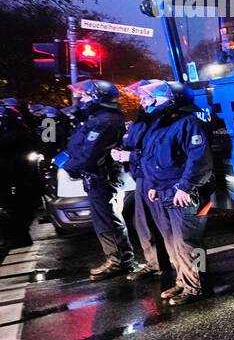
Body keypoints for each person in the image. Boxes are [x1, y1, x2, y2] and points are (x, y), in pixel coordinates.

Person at [136, 81, 213, 306]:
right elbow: (150, 160)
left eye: (151, 98)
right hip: (163, 192)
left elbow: (199, 158)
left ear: (172, 100)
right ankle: (183, 280)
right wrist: (152, 185)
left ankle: (197, 286)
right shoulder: (159, 124)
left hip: (183, 193)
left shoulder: (189, 123)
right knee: (172, 242)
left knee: (189, 243)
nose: (145, 102)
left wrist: (185, 186)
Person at [62, 80, 137, 277]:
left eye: (86, 96)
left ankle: (119, 261)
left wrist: (71, 167)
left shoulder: (106, 121)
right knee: (104, 220)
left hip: (102, 176)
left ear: (98, 97)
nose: (82, 99)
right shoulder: (98, 118)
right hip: (96, 176)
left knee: (108, 221)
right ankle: (117, 259)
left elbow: (90, 152)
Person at [113, 81, 171, 285]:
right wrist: (122, 152)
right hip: (142, 177)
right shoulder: (143, 119)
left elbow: (155, 152)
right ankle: (155, 264)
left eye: (145, 97)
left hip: (154, 177)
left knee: (166, 226)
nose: (142, 101)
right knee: (143, 223)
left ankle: (180, 269)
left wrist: (129, 156)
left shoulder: (159, 120)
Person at [0, 98, 42, 249]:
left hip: (13, 173)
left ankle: (18, 236)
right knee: (15, 205)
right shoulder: (21, 125)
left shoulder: (15, 130)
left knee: (14, 206)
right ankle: (17, 235)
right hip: (16, 172)